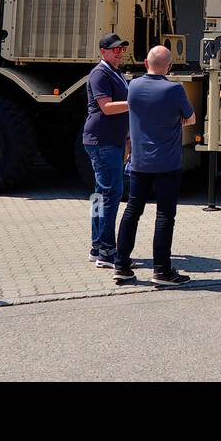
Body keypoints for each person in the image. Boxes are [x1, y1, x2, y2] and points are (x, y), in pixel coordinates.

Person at [114, 45, 195, 287]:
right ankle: (161, 270)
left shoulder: (134, 86)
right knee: (164, 216)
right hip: (167, 163)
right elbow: (190, 118)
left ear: (146, 64)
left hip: (139, 163)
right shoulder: (174, 89)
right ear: (169, 67)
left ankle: (121, 266)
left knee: (132, 212)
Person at [83, 32, 130, 268]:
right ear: (103, 52)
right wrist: (136, 102)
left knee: (101, 194)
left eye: (121, 49)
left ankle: (96, 245)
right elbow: (107, 108)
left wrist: (128, 137)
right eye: (115, 49)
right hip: (102, 141)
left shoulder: (116, 72)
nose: (119, 52)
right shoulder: (100, 74)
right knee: (111, 193)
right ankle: (106, 251)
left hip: (111, 140)